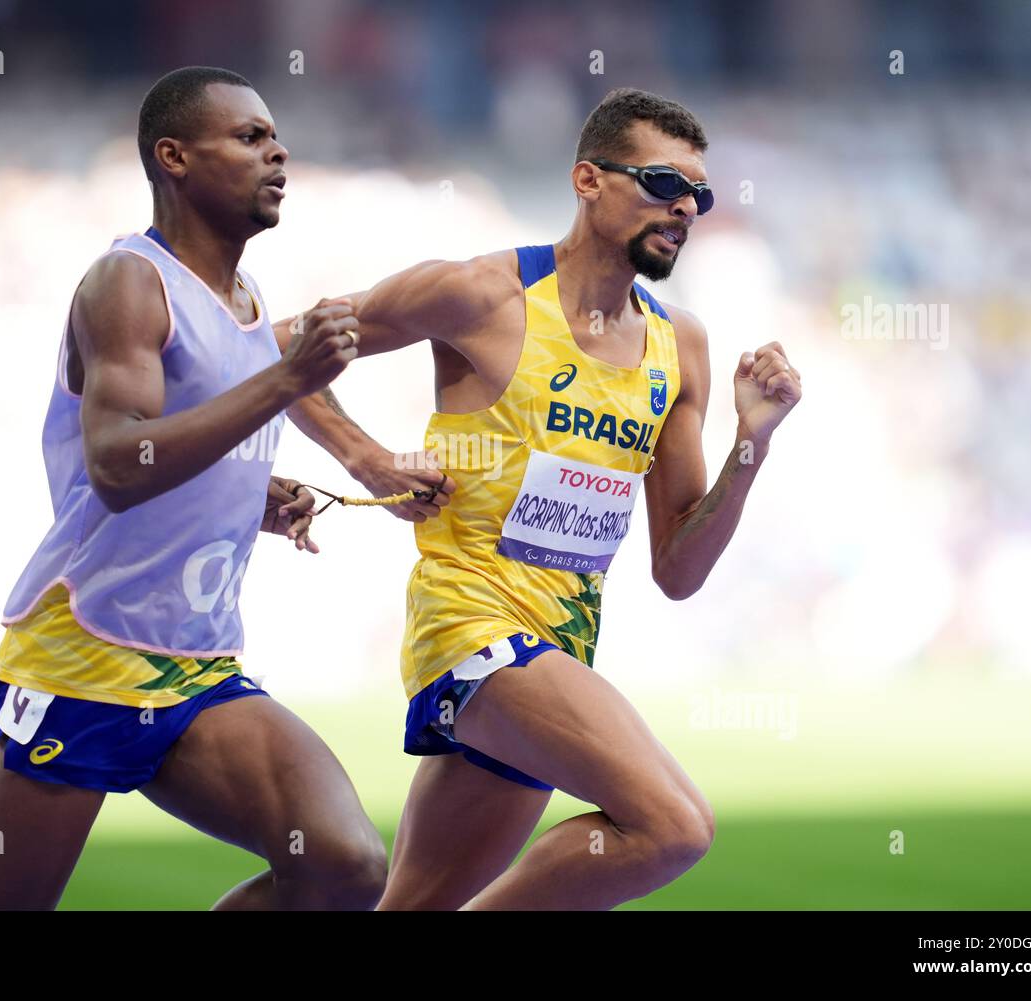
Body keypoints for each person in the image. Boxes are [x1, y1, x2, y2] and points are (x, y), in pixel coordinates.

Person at [279, 88, 803, 910]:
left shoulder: (682, 346)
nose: (686, 209)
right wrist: (367, 457)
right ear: (587, 179)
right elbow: (272, 350)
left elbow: (678, 570)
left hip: (557, 646)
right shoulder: (481, 295)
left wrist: (752, 443)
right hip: (472, 630)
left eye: (699, 195)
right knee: (674, 826)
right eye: (665, 185)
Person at [0, 66, 437, 910]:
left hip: (195, 665)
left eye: (276, 136)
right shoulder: (128, 283)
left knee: (343, 865)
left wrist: (255, 489)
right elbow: (118, 466)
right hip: (84, 658)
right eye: (249, 137)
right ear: (173, 156)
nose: (278, 151)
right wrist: (286, 381)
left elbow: (196, 435)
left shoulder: (243, 297)